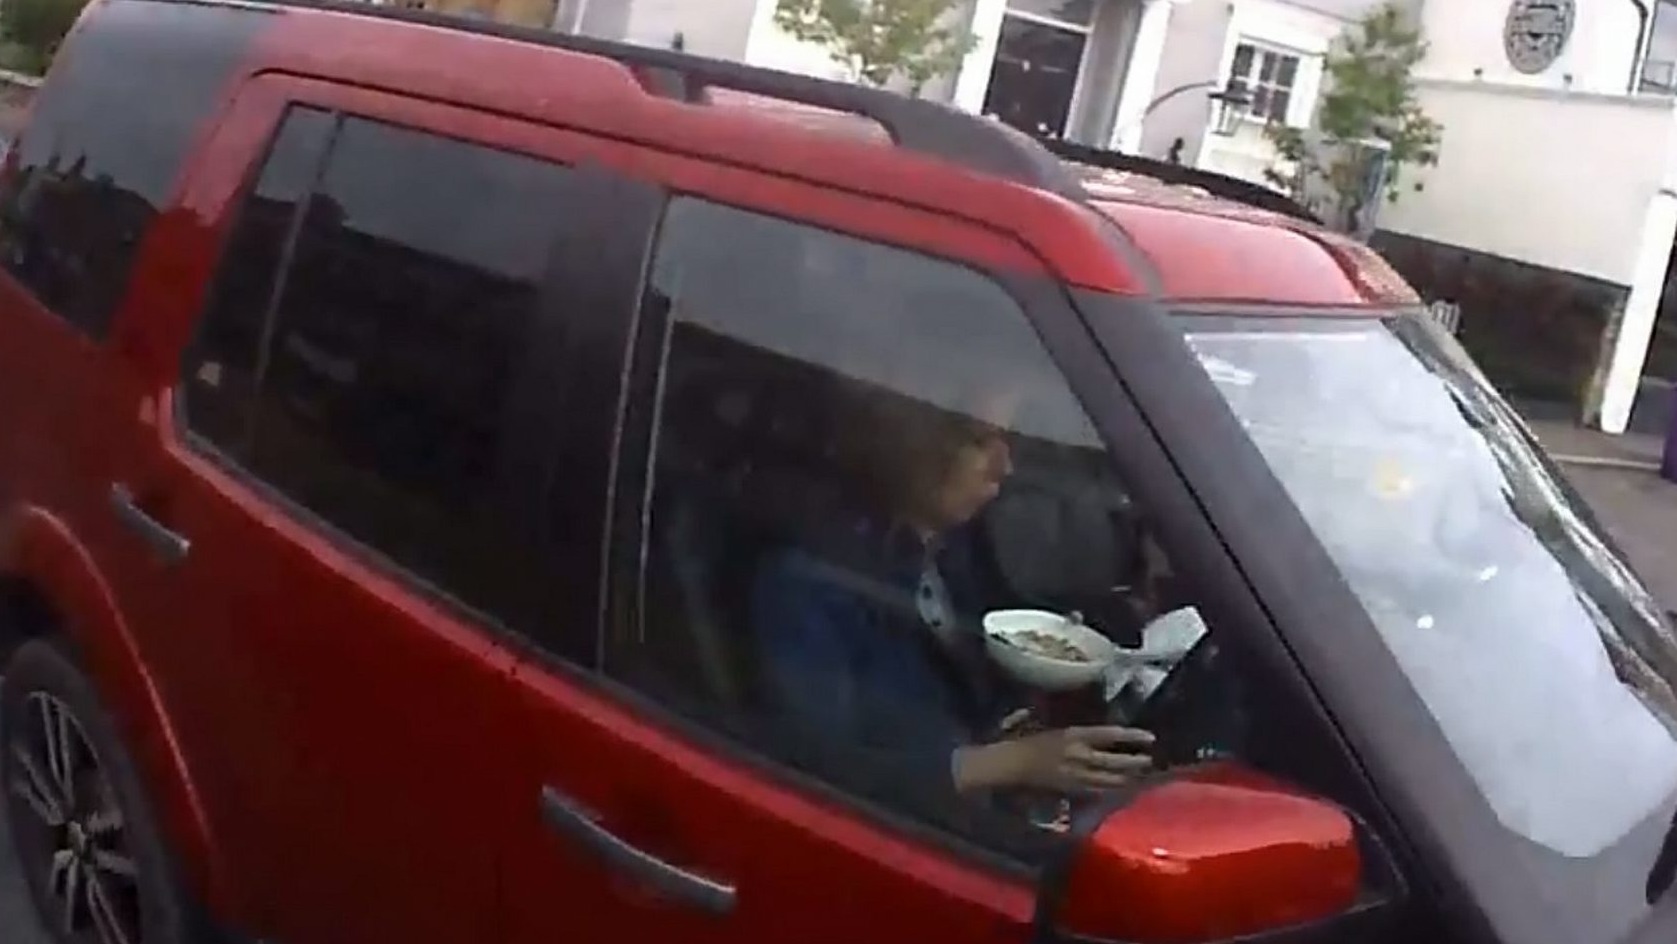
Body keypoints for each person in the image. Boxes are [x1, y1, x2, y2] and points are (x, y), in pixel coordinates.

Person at [749, 383, 1155, 800]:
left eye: (1008, 440)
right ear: (912, 444)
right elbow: (821, 774)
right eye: (980, 442)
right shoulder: (810, 581)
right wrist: (1014, 763)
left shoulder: (954, 545)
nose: (1005, 467)